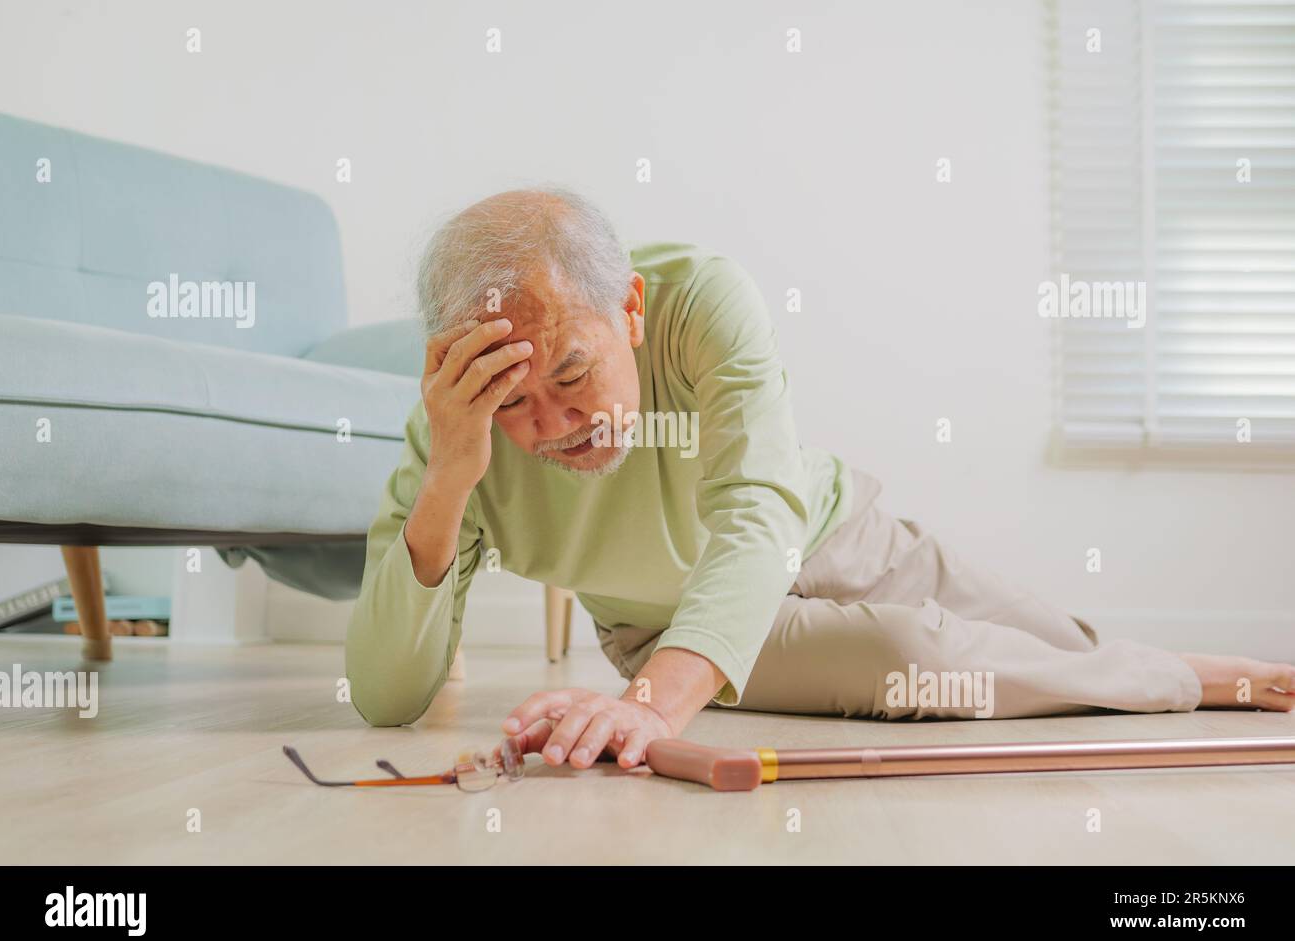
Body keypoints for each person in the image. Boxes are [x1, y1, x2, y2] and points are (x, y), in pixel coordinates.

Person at [345, 187, 1295, 772]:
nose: (550, 428)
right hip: (673, 628)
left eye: (570, 376)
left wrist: (643, 710)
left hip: (832, 530)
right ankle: (1205, 681)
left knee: (1045, 637)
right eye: (514, 402)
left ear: (629, 310)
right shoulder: (457, 429)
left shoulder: (700, 299)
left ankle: (1191, 676)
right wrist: (453, 479)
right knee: (927, 659)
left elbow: (757, 508)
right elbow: (385, 695)